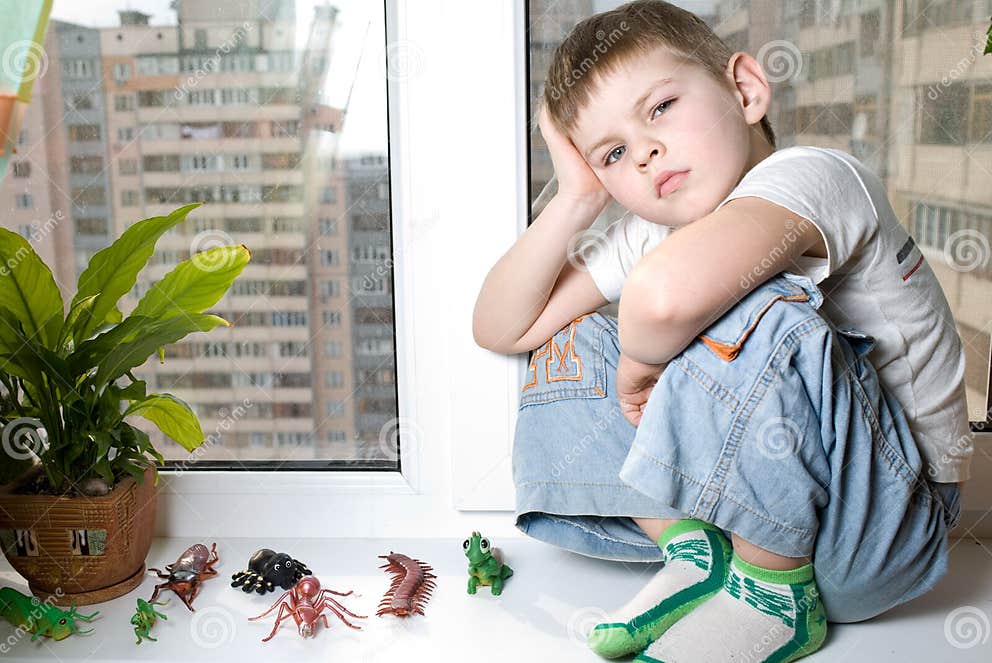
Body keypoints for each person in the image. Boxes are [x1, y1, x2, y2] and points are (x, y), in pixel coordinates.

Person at [472, 1, 971, 661]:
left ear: (745, 90)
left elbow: (666, 298)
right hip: (752, 517)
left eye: (659, 109)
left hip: (883, 522)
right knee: (567, 339)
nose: (645, 151)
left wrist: (637, 364)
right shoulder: (649, 230)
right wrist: (576, 197)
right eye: (614, 153)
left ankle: (774, 599)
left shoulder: (813, 177)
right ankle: (695, 548)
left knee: (737, 296)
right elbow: (502, 325)